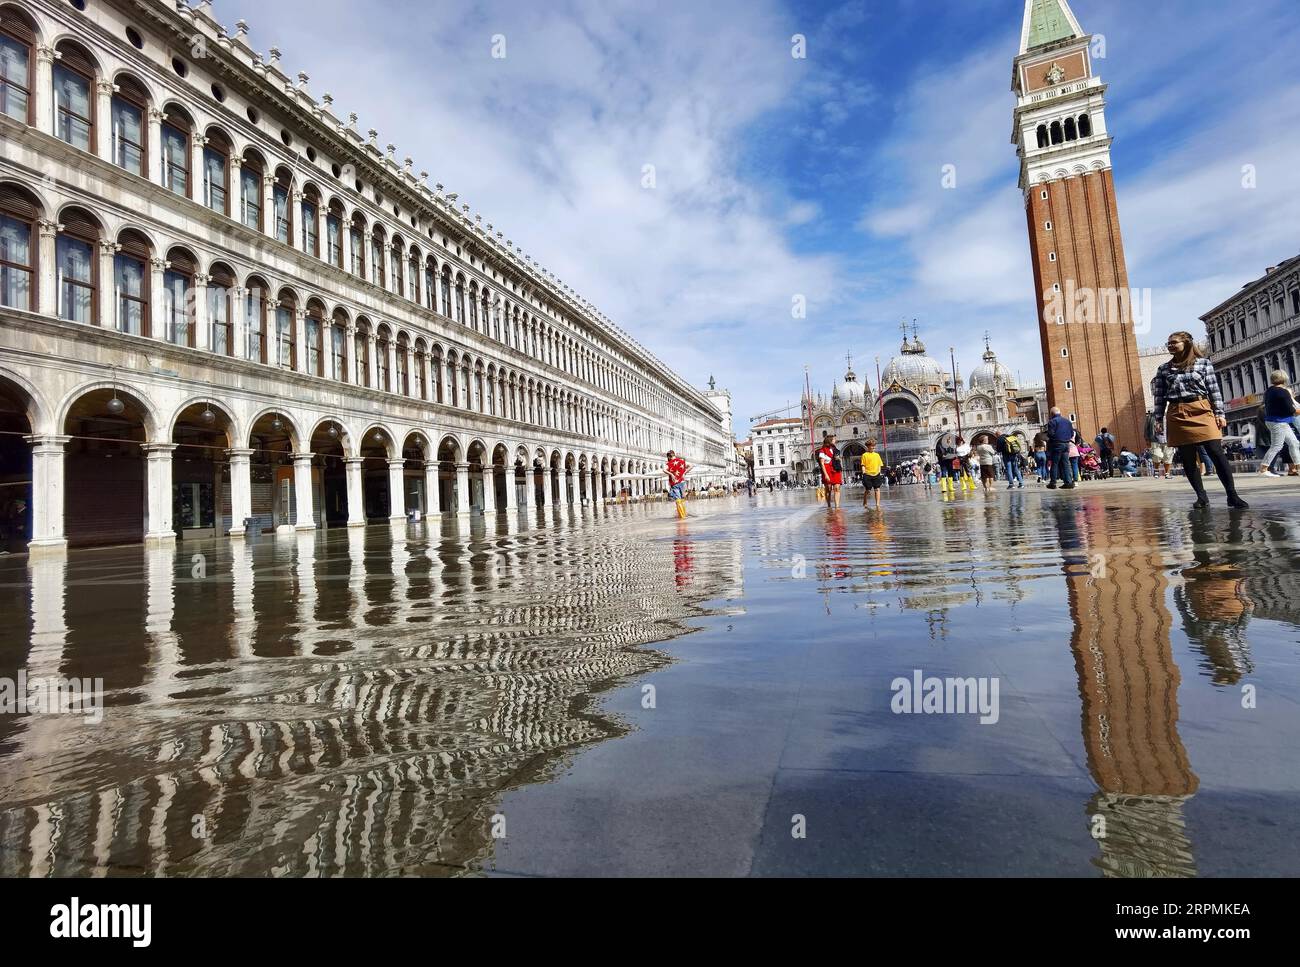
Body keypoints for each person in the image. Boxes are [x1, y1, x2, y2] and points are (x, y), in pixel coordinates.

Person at [1152, 331, 1247, 509]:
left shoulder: (1203, 363)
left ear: (1186, 343)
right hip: (1176, 411)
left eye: (1174, 342)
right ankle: (1201, 497)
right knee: (1187, 457)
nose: (1170, 345)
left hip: (1202, 409)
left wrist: (1220, 413)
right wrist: (1158, 419)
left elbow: (1214, 390)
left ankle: (1232, 496)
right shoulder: (1163, 369)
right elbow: (1159, 397)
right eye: (1168, 343)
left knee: (1216, 452)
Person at [1258, 370, 1300, 477]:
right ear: (1285, 379)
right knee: (1276, 446)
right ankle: (1263, 469)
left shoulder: (1269, 391)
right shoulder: (1283, 392)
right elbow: (1292, 411)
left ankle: (1298, 466)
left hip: (1275, 421)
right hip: (1278, 422)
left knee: (1294, 443)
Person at [1045, 406, 1076, 490]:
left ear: (1052, 414)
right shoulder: (1068, 421)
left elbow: (1050, 434)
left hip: (1057, 444)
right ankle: (1068, 482)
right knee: (1066, 463)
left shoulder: (1052, 422)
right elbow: (1072, 434)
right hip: (1067, 444)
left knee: (1055, 463)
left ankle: (1053, 483)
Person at [816, 432, 842, 509]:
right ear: (830, 441)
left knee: (837, 488)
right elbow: (822, 464)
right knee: (829, 489)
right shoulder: (822, 450)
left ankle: (837, 506)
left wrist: (838, 459)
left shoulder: (835, 449)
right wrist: (826, 475)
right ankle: (829, 506)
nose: (835, 441)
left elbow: (838, 459)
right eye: (834, 439)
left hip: (836, 469)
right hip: (827, 470)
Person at [860, 438, 884, 509]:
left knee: (877, 489)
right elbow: (863, 465)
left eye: (874, 446)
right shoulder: (864, 455)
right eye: (872, 446)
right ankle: (865, 501)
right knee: (868, 490)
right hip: (867, 474)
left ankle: (877, 504)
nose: (873, 447)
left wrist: (879, 472)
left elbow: (879, 464)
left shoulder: (877, 455)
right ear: (868, 446)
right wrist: (864, 473)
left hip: (876, 474)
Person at [664, 450, 690, 519]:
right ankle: (684, 514)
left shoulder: (669, 463)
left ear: (669, 456)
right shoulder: (681, 461)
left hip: (675, 483)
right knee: (682, 499)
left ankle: (682, 517)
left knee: (678, 500)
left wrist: (671, 474)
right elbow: (691, 466)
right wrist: (684, 472)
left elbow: (664, 470)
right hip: (682, 482)